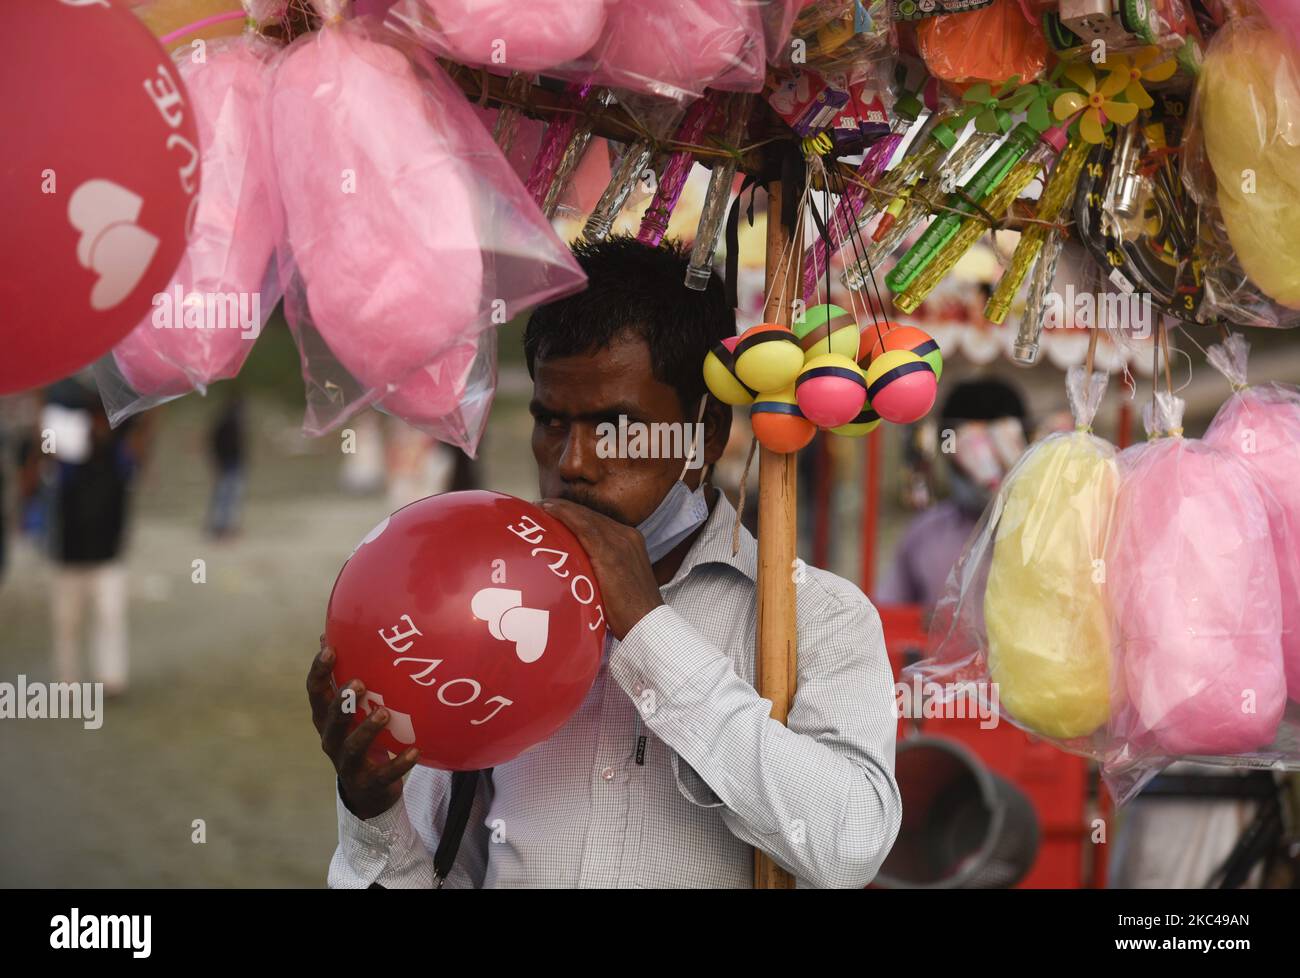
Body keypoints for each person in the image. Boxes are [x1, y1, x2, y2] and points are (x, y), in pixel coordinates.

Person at [307, 236, 902, 888]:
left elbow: (850, 844)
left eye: (614, 426)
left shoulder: (812, 616)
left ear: (705, 433)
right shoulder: (475, 605)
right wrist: (373, 812)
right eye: (551, 421)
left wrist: (651, 633)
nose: (572, 464)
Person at [37, 376, 151, 694]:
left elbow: (141, 451)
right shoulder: (67, 459)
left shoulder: (118, 458)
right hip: (68, 556)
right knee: (66, 624)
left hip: (107, 555)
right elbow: (42, 457)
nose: (98, 426)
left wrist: (155, 407)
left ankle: (111, 679)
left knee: (110, 619)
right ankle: (67, 681)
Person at [877, 378, 1028, 610]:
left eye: (998, 450)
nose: (985, 473)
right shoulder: (924, 534)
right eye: (970, 450)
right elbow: (887, 613)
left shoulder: (1048, 534)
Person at [206, 388, 246, 539]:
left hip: (231, 462)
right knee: (226, 496)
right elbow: (217, 441)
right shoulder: (229, 421)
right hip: (229, 463)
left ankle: (223, 527)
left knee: (227, 496)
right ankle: (221, 528)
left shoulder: (230, 420)